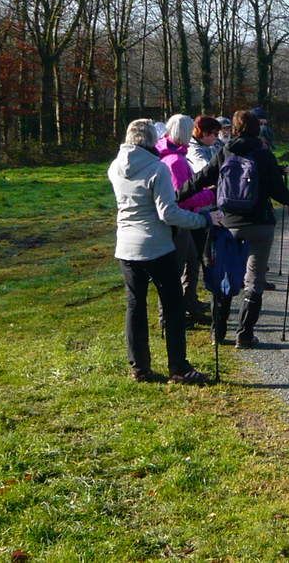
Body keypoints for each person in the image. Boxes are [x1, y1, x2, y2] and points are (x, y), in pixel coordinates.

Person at [179, 109, 289, 348]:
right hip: (260, 224)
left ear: (233, 129)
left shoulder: (225, 152)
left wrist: (176, 196)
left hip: (228, 224)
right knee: (254, 281)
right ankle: (245, 334)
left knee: (224, 277)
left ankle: (218, 331)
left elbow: (201, 179)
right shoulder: (264, 154)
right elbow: (279, 193)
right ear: (258, 129)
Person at [109, 118, 219, 385]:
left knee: (135, 306)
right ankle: (179, 367)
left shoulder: (115, 167)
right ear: (150, 140)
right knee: (172, 307)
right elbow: (168, 213)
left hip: (125, 245)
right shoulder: (157, 169)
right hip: (156, 246)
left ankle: (139, 367)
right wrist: (203, 220)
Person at [156, 114, 215, 324]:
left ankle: (189, 305)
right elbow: (183, 196)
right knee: (177, 268)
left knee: (191, 262)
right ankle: (169, 316)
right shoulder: (175, 161)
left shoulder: (174, 155)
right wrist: (210, 195)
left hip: (183, 220)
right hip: (179, 222)